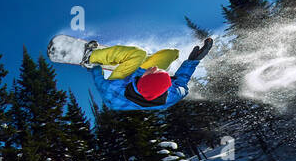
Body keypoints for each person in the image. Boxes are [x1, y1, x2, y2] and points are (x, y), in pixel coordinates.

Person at [81, 37, 213, 111]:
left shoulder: (115, 89)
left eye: (153, 70)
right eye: (161, 72)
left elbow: (100, 81)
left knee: (139, 54)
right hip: (141, 82)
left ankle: (91, 56)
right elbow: (182, 83)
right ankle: (139, 62)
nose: (155, 67)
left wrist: (95, 67)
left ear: (143, 77)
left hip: (119, 87)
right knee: (172, 53)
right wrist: (192, 61)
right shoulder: (172, 95)